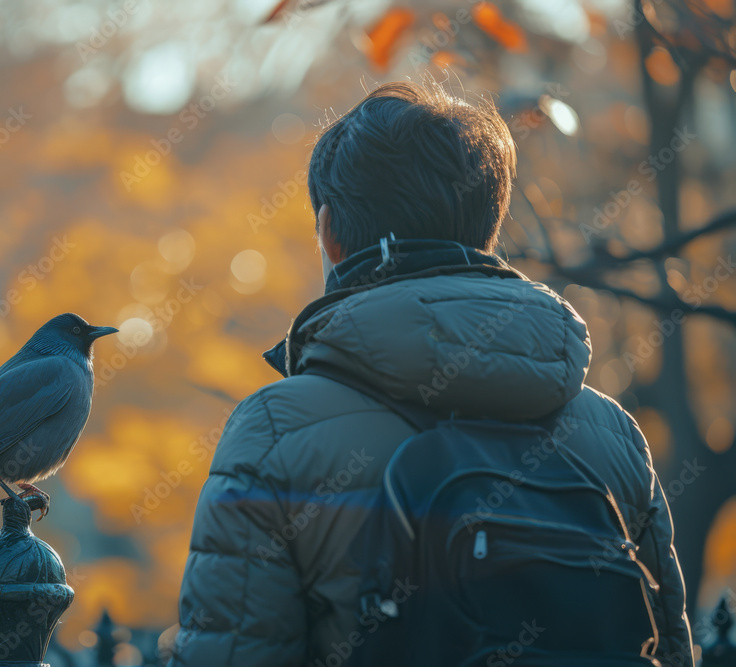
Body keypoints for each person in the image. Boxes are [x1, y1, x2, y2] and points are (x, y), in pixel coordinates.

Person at [165, 80, 694, 666]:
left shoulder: (278, 432)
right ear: (485, 227)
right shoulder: (611, 438)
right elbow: (670, 649)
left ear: (330, 233)